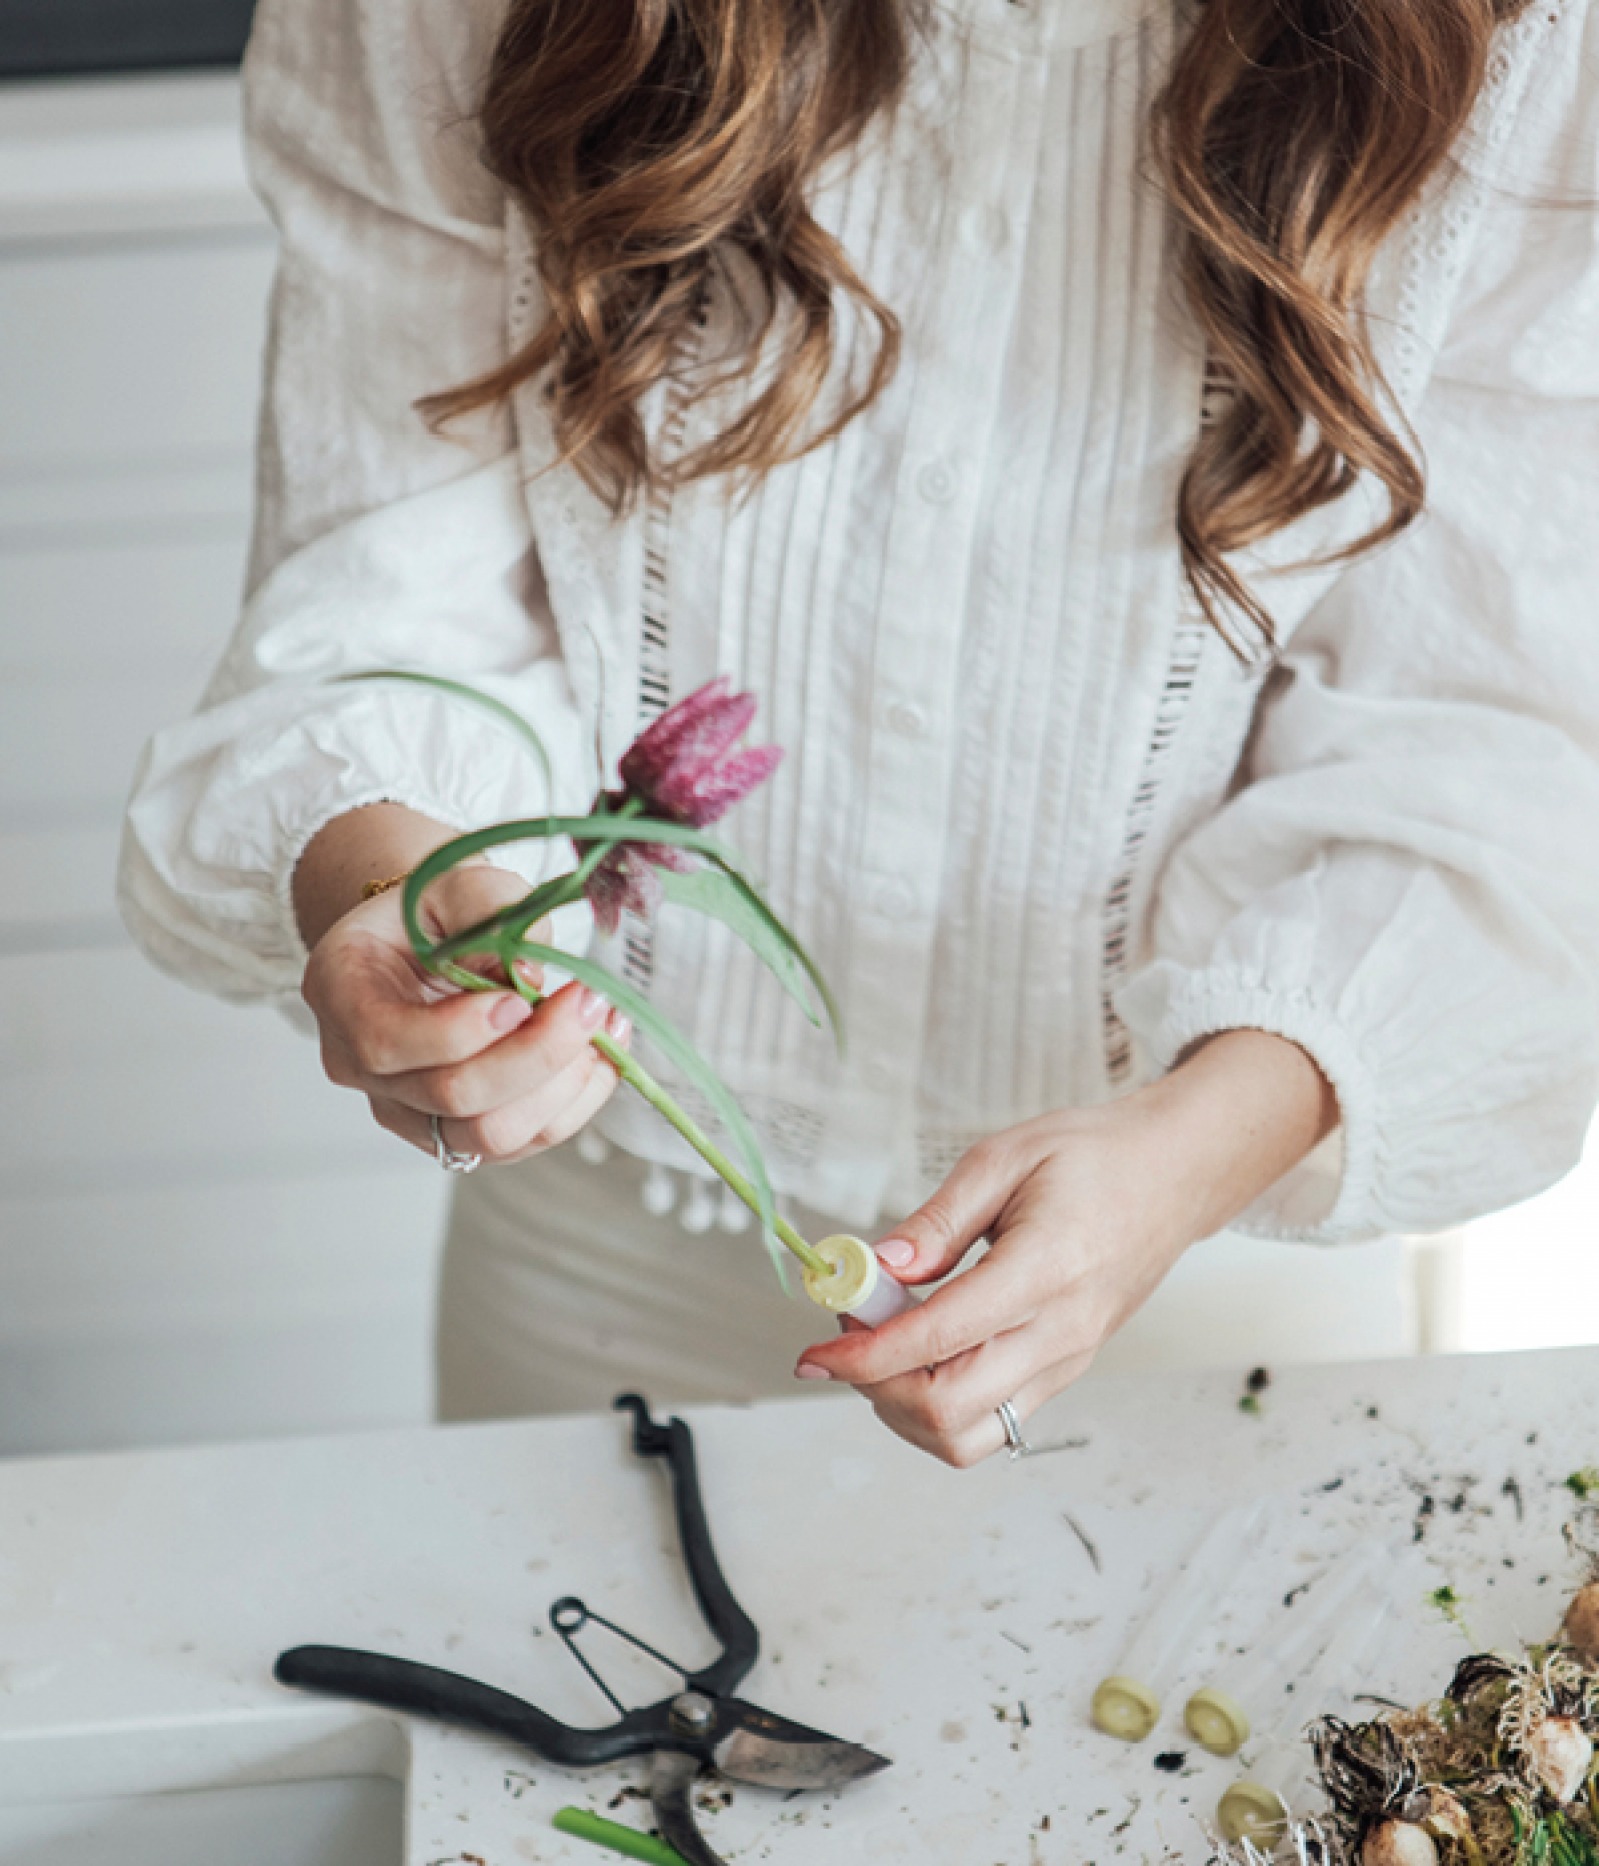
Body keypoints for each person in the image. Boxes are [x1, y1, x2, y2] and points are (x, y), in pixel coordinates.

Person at [121, 0, 1599, 1466]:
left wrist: (1185, 1154)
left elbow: (1491, 725)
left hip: (1210, 1271)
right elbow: (388, 560)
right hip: (596, 1251)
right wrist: (402, 892)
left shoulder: (1524, 41)